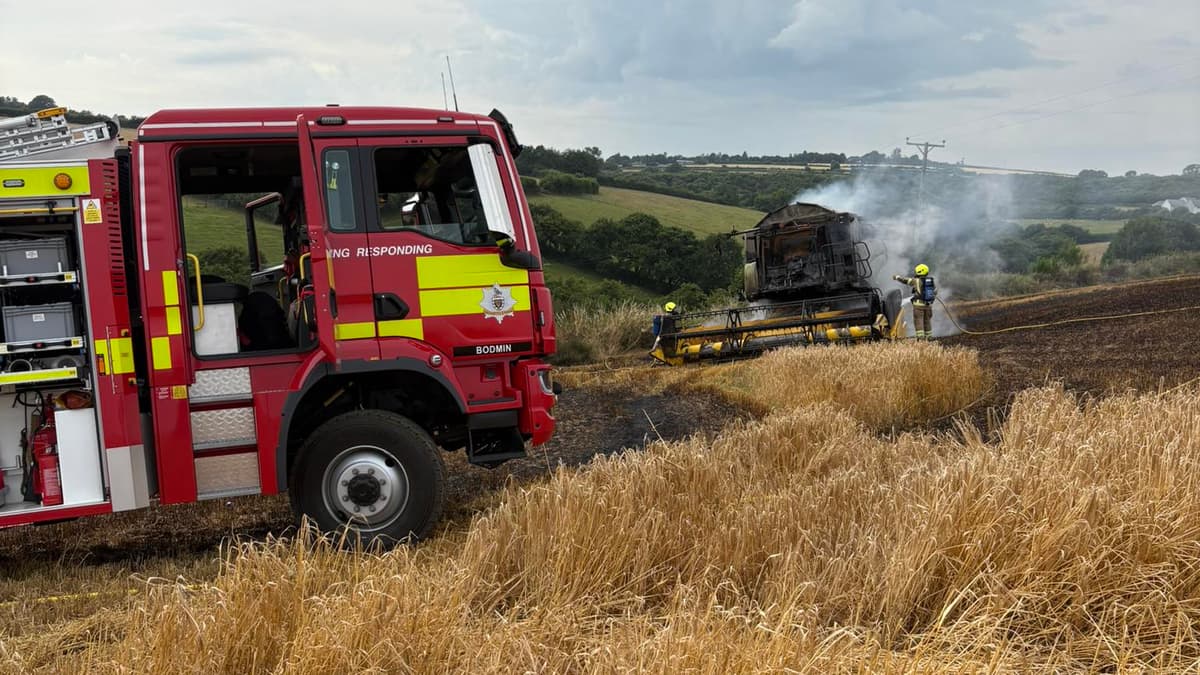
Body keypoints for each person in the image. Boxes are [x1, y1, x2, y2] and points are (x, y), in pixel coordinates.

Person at [893, 264, 937, 340]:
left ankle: (921, 338)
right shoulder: (931, 281)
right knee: (927, 321)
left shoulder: (916, 281)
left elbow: (905, 280)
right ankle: (929, 337)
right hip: (928, 305)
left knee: (918, 321)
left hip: (918, 306)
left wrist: (897, 277)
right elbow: (935, 292)